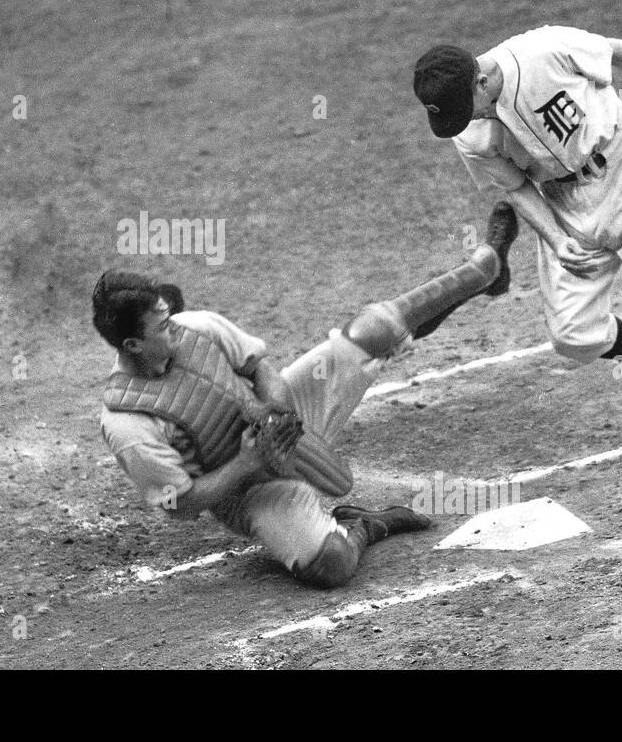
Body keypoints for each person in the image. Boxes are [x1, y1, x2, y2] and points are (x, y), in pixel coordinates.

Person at [91, 204, 517, 589]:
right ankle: (364, 526)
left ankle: (483, 271)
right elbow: (180, 505)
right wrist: (248, 462)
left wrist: (272, 409)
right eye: (161, 326)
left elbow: (259, 368)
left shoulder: (196, 327)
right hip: (245, 491)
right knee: (331, 565)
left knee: (374, 332)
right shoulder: (128, 423)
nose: (175, 326)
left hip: (285, 426)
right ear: (132, 345)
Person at [412, 26, 622, 471]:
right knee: (573, 335)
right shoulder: (467, 132)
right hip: (563, 205)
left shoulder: (543, 51)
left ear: (479, 80)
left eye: (466, 108)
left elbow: (615, 51)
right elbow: (515, 186)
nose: (466, 121)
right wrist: (556, 239)